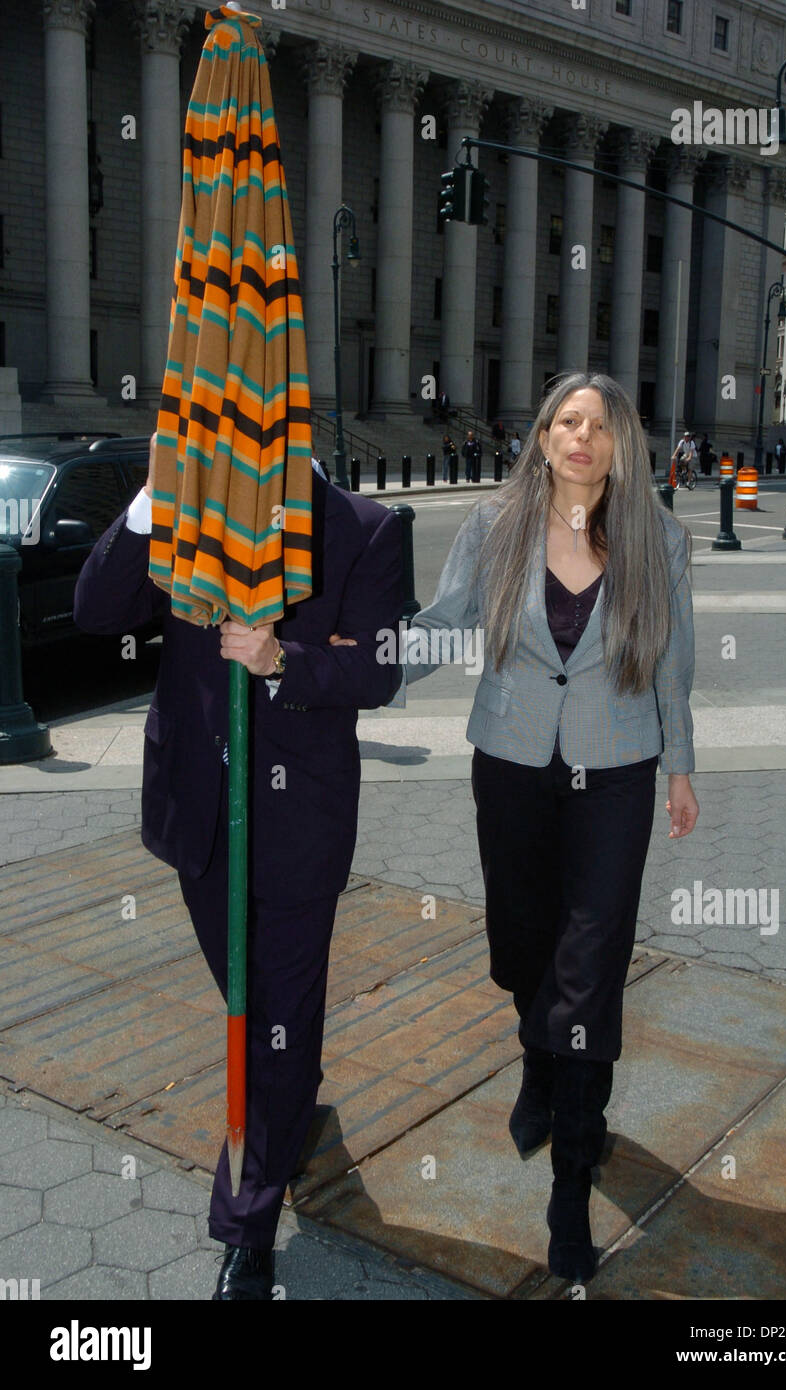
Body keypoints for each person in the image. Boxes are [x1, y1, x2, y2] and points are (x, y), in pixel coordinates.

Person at [74, 433, 403, 1299]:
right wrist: (151, 498)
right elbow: (97, 610)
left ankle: (246, 1228)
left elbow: (379, 669)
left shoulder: (363, 527)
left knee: (270, 1019)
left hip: (300, 826)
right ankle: (292, 1100)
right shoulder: (191, 516)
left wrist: (282, 659)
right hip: (197, 815)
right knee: (252, 1005)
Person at [389, 371, 698, 1284]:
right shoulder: (496, 526)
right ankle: (535, 1048)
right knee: (524, 946)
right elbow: (443, 625)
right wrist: (350, 663)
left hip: (617, 768)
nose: (580, 437)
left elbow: (674, 664)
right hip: (513, 763)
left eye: (598, 426)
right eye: (566, 421)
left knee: (591, 961)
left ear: (621, 444)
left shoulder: (661, 536)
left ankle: (571, 1178)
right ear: (542, 435)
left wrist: (678, 768)